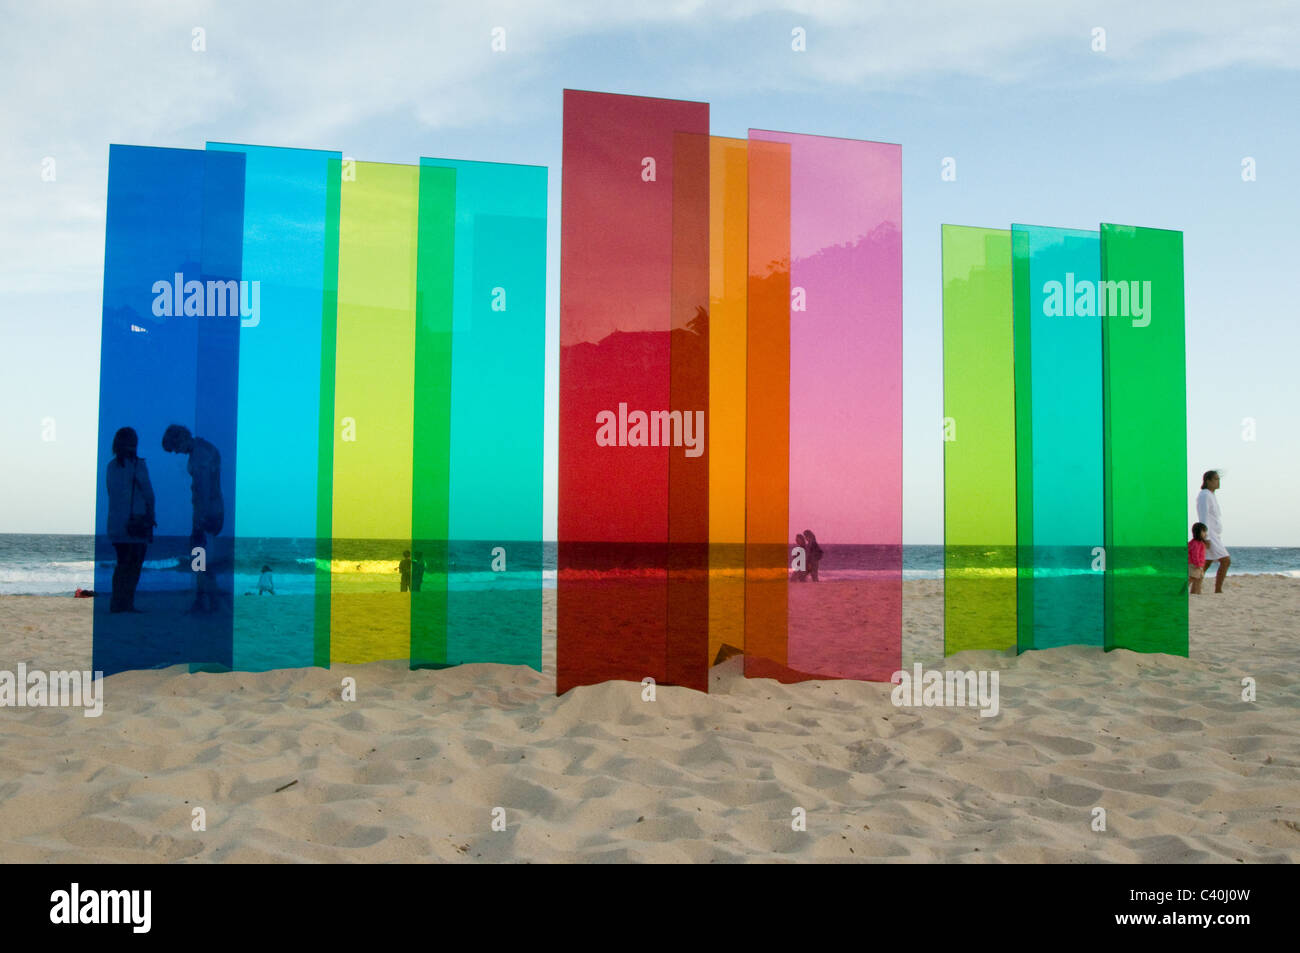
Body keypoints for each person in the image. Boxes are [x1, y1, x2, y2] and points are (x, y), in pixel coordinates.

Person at [162, 424, 226, 612]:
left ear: (180, 440)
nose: (176, 453)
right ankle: (204, 600)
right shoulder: (202, 449)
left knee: (200, 555)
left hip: (207, 511)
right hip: (209, 509)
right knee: (201, 555)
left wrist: (199, 518)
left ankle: (208, 601)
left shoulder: (200, 454)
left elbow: (204, 489)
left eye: (175, 448)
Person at [105, 426, 155, 613]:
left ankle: (117, 602)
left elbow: (112, 494)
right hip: (136, 523)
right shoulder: (138, 465)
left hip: (116, 524)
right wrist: (151, 515)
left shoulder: (111, 466)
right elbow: (149, 494)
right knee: (134, 567)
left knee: (121, 565)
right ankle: (127, 603)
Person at [1196, 470, 1230, 593]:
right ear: (1208, 481)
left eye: (1218, 479)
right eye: (1215, 479)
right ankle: (1218, 590)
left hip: (1215, 535)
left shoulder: (1211, 495)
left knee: (1205, 564)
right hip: (1210, 535)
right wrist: (1206, 537)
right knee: (1226, 560)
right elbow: (1204, 516)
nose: (1218, 482)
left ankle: (1190, 588)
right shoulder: (1204, 495)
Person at [1187, 522, 1209, 595]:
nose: (1205, 534)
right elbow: (1194, 555)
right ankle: (1181, 592)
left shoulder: (1200, 543)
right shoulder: (1195, 543)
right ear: (1198, 532)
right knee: (1192, 578)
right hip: (1194, 565)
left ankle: (1197, 592)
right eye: (1204, 531)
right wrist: (1198, 564)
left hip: (1199, 564)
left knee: (1199, 579)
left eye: (1205, 531)